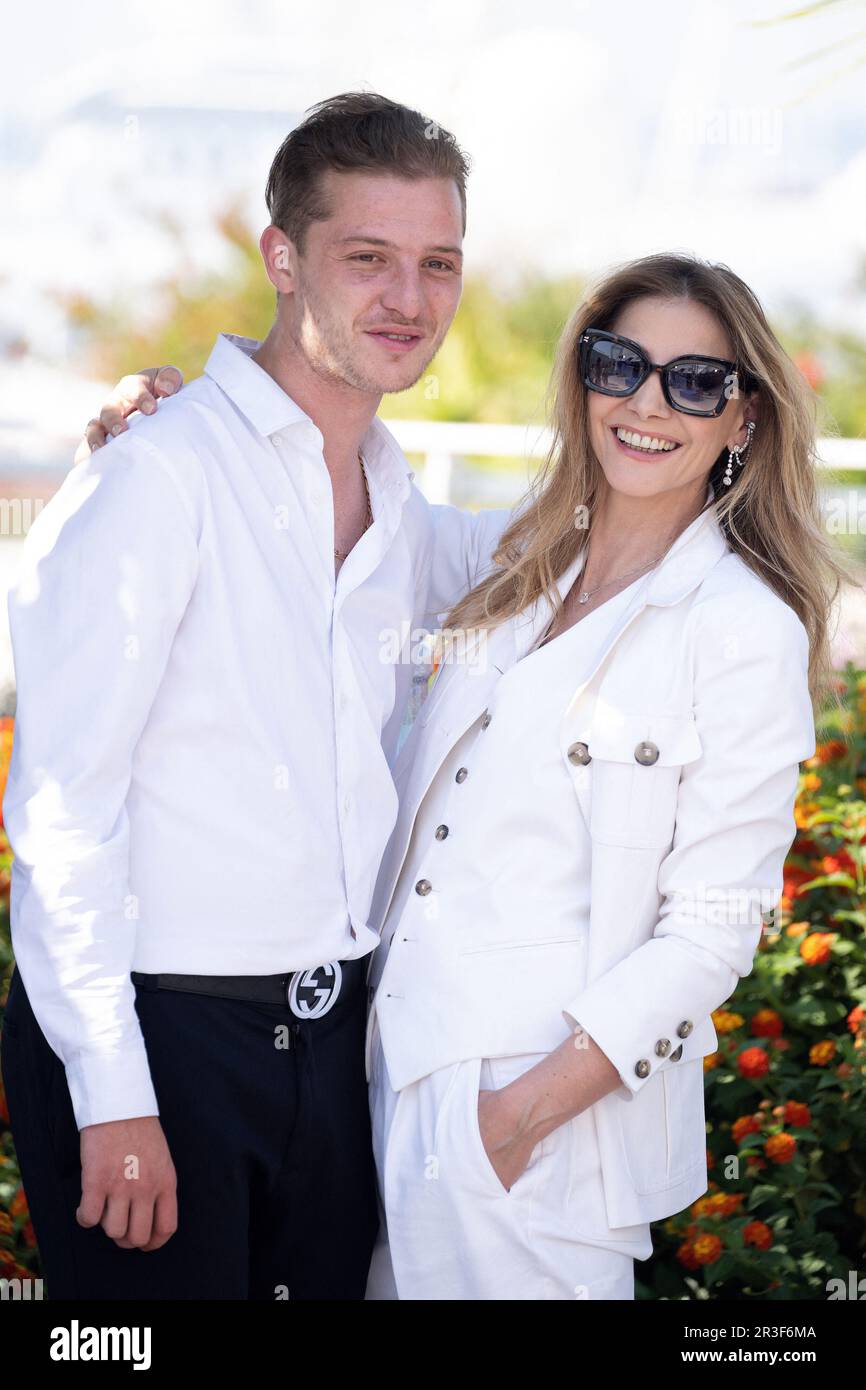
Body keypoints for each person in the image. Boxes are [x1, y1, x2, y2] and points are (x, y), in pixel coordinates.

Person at [0, 91, 509, 1300]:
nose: (408, 299)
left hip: (331, 1049)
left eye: (435, 264)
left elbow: (563, 559)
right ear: (283, 258)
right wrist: (112, 1097)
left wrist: (680, 427)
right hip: (157, 1041)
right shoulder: (157, 477)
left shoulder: (404, 515)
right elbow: (64, 810)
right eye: (367, 259)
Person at [358, 253, 843, 1299]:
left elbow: (712, 925)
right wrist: (170, 425)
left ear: (742, 417)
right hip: (386, 1089)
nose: (646, 402)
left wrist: (516, 1118)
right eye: (618, 363)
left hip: (536, 1149)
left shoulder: (739, 629)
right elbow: (336, 504)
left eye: (694, 381)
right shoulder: (509, 558)